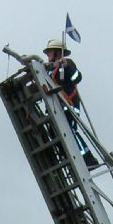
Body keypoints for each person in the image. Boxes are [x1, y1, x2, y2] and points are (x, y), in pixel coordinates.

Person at [43, 38, 99, 169]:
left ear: (57, 52)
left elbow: (77, 78)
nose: (47, 55)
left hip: (69, 106)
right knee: (54, 133)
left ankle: (88, 159)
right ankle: (67, 158)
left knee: (69, 132)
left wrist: (66, 66)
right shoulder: (49, 70)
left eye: (50, 52)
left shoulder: (67, 64)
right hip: (56, 108)